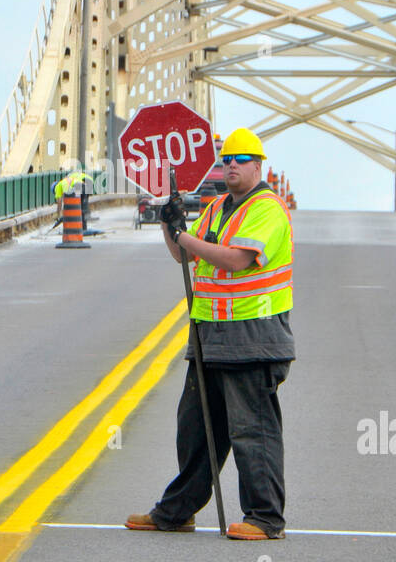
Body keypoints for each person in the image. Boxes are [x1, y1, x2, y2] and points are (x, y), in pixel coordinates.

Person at [125, 128, 295, 541]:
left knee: (252, 431)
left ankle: (264, 517)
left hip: (254, 338)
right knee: (196, 428)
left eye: (241, 159)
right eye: (227, 159)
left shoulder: (268, 209)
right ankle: (177, 511)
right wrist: (170, 223)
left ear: (259, 165)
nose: (232, 165)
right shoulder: (217, 207)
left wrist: (186, 236)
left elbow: (237, 259)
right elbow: (182, 254)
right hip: (211, 337)